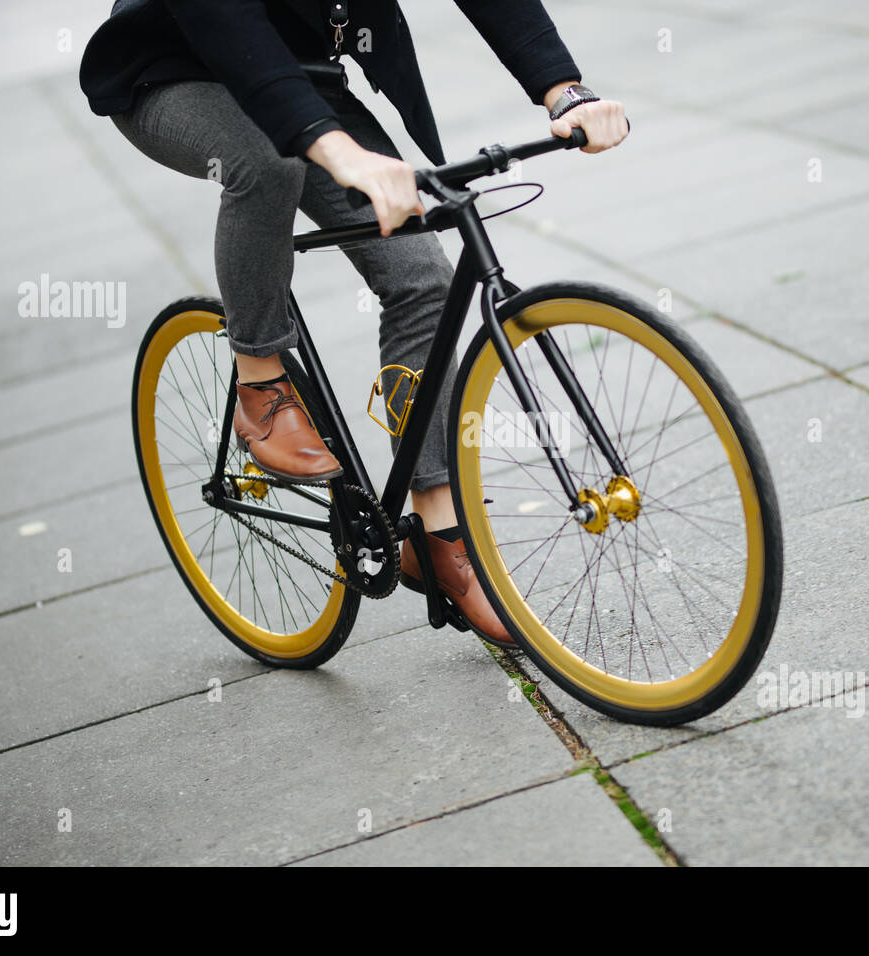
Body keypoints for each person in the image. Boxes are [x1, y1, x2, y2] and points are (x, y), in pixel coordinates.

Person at [79, 0, 628, 647]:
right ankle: (260, 386)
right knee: (264, 165)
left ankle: (439, 533)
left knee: (421, 275)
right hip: (175, 71)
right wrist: (337, 150)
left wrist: (564, 89)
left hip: (302, 73)